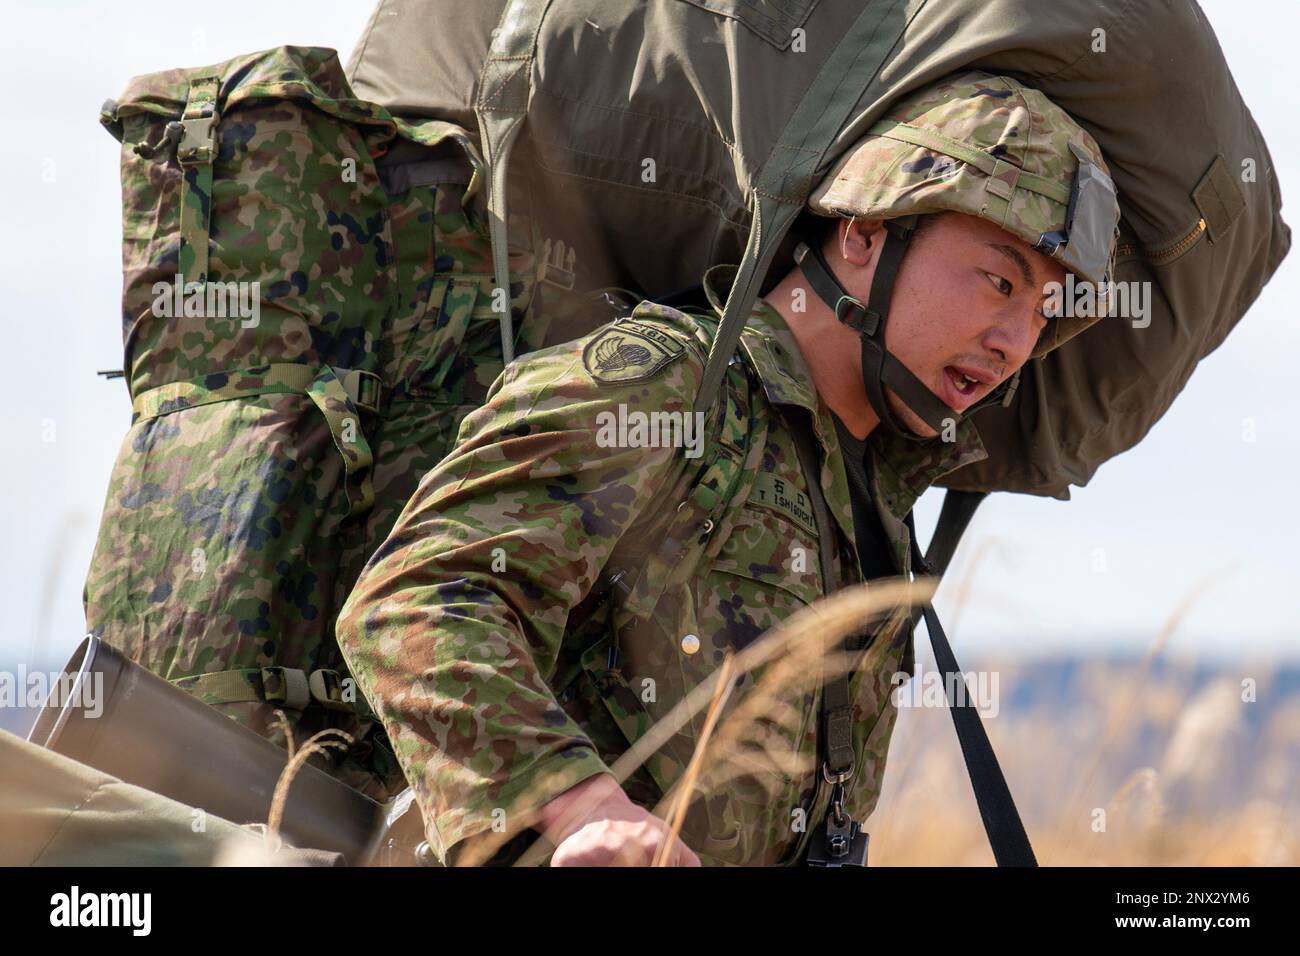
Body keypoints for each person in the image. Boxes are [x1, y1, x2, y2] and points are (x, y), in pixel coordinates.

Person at [333, 71, 1120, 867]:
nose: (1016, 340)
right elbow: (418, 596)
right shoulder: (671, 387)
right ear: (864, 233)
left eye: (1045, 310)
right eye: (1000, 281)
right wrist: (585, 810)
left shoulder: (882, 492)